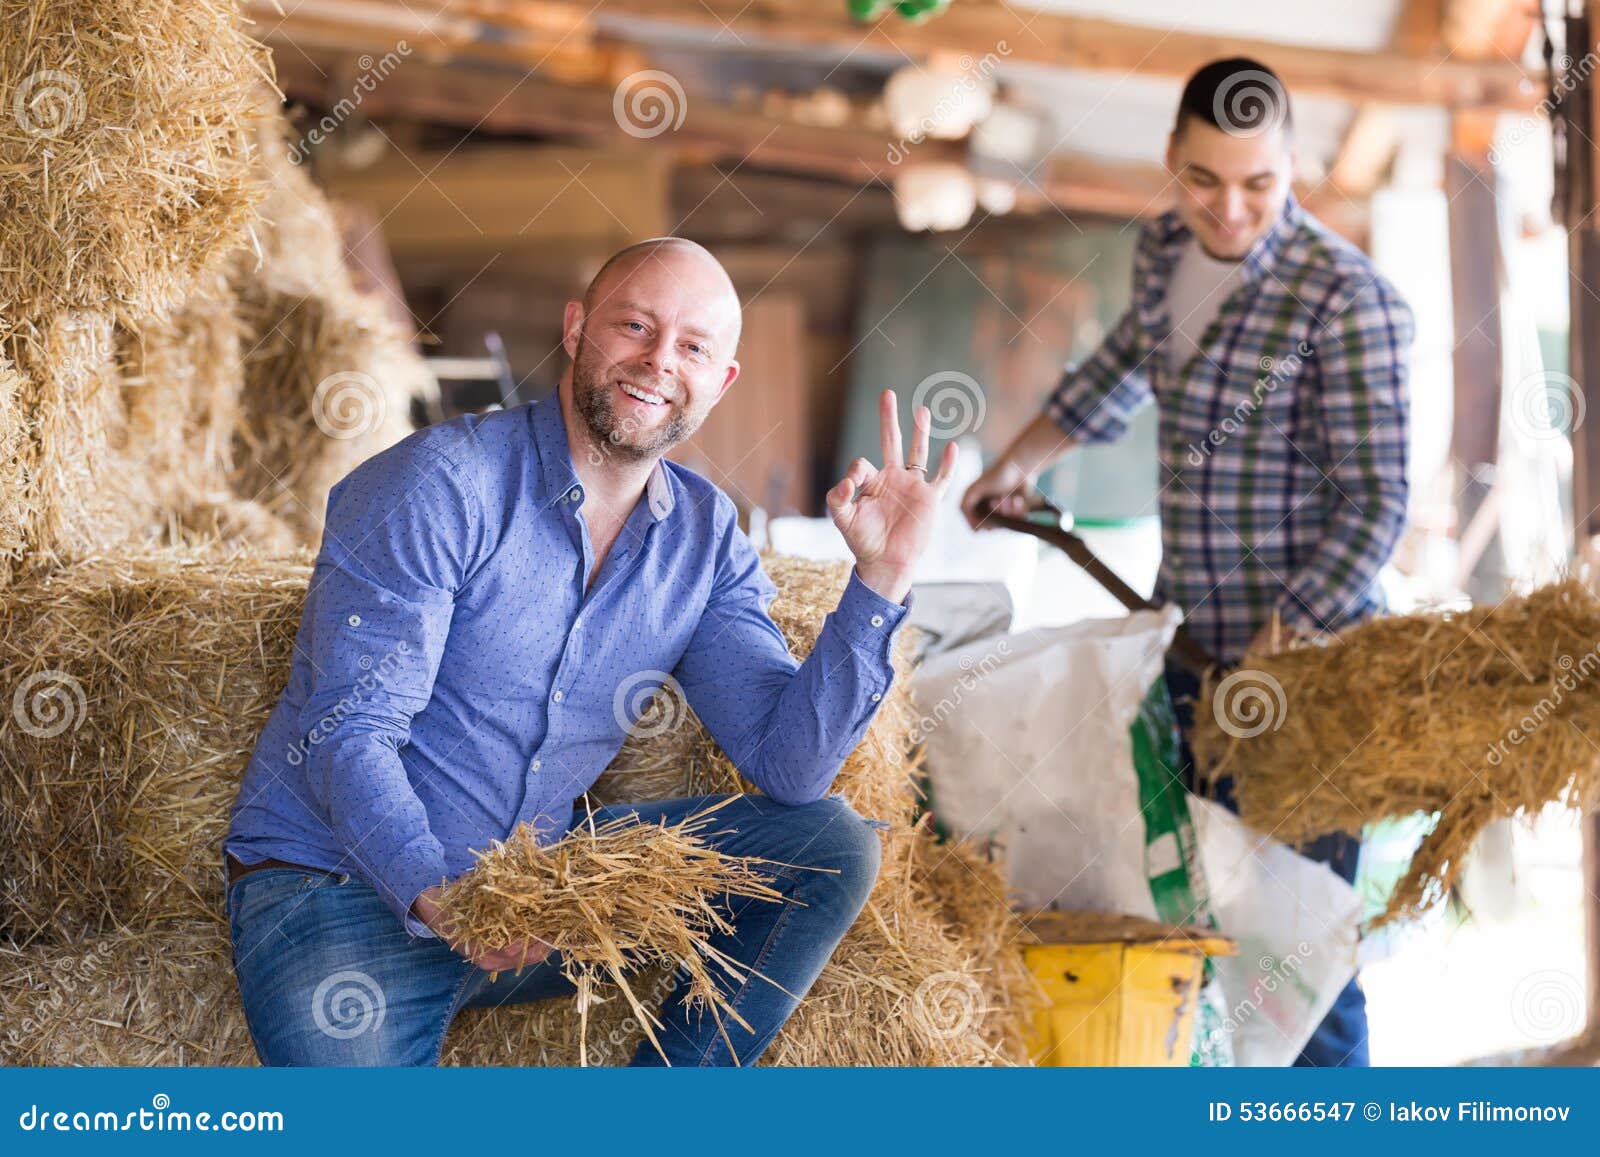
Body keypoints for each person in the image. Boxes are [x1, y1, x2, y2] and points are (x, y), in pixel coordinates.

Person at [223, 236, 959, 1066]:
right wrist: (441, 895)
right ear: (577, 329)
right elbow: (349, 729)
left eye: (692, 346)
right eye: (635, 326)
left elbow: (789, 768)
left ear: (722, 382)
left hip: (529, 898)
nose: (657, 362)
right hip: (342, 895)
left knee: (829, 845)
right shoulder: (440, 485)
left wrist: (882, 579)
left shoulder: (706, 538)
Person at [962, 58, 1415, 1067]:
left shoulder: (1347, 299)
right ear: (1171, 161)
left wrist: (1282, 638)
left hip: (1310, 680)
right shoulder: (1165, 250)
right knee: (1196, 914)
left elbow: (1377, 501)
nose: (1231, 208)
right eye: (1206, 180)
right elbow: (1123, 366)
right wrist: (1020, 459)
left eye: (1259, 183)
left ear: (1291, 164)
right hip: (1186, 652)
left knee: (1299, 949)